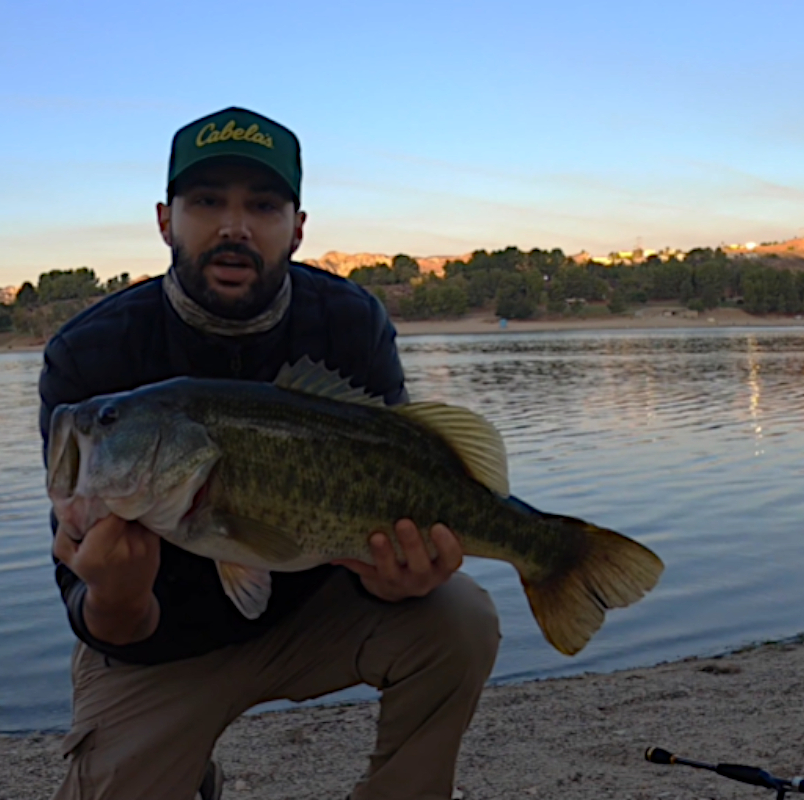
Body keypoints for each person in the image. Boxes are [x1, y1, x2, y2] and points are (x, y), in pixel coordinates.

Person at [39, 107, 501, 800]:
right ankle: (186, 763)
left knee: (457, 618)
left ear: (298, 226)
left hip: (316, 614)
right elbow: (98, 614)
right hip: (154, 649)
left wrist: (397, 575)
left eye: (262, 204)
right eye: (206, 203)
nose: (234, 226)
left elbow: (407, 473)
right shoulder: (89, 356)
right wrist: (118, 595)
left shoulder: (349, 321)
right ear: (165, 221)